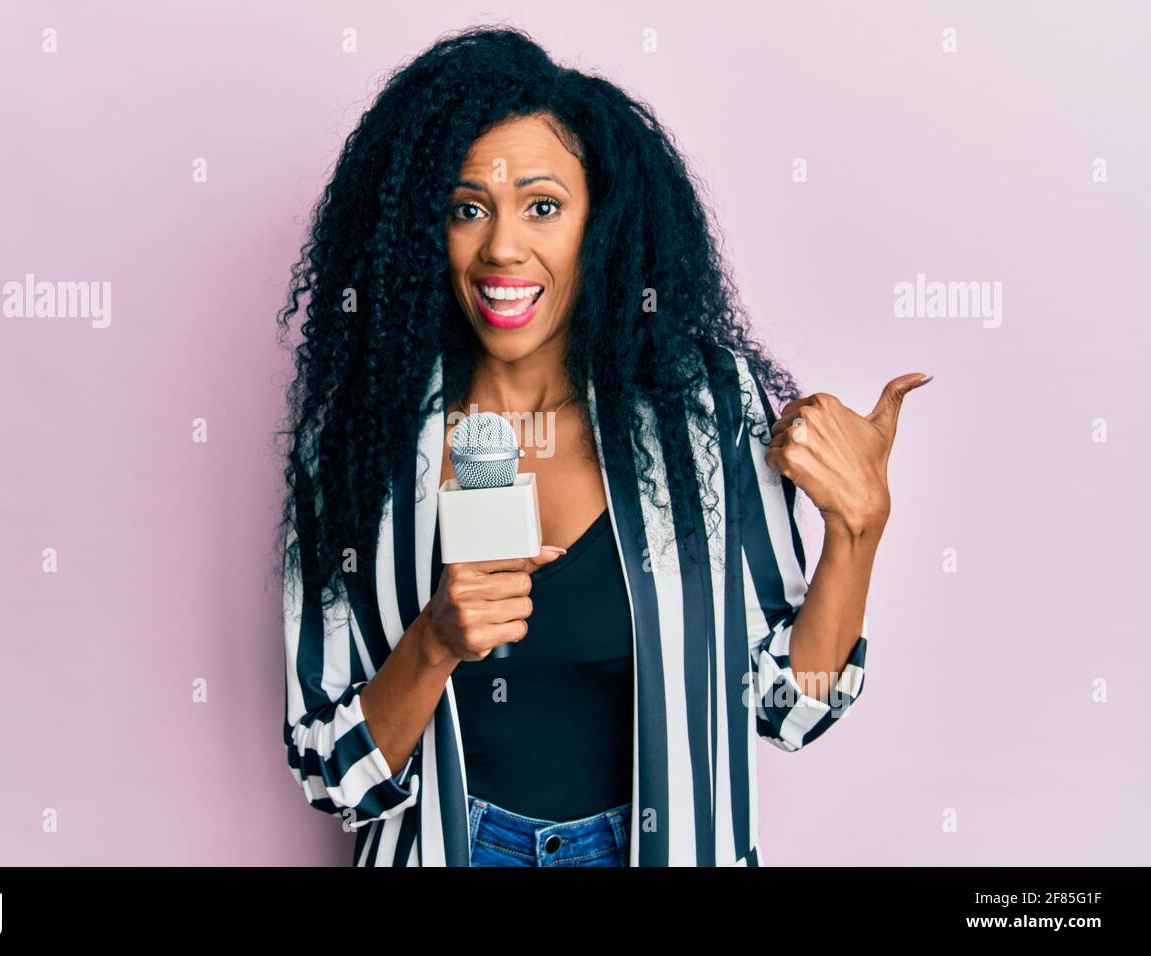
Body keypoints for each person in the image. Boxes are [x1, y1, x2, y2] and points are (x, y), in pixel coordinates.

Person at [276, 25, 929, 867]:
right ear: (421, 234)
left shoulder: (703, 406)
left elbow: (786, 706)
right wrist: (432, 641)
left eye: (543, 206)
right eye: (467, 208)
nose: (503, 246)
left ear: (601, 224)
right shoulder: (356, 443)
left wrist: (857, 531)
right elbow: (332, 775)